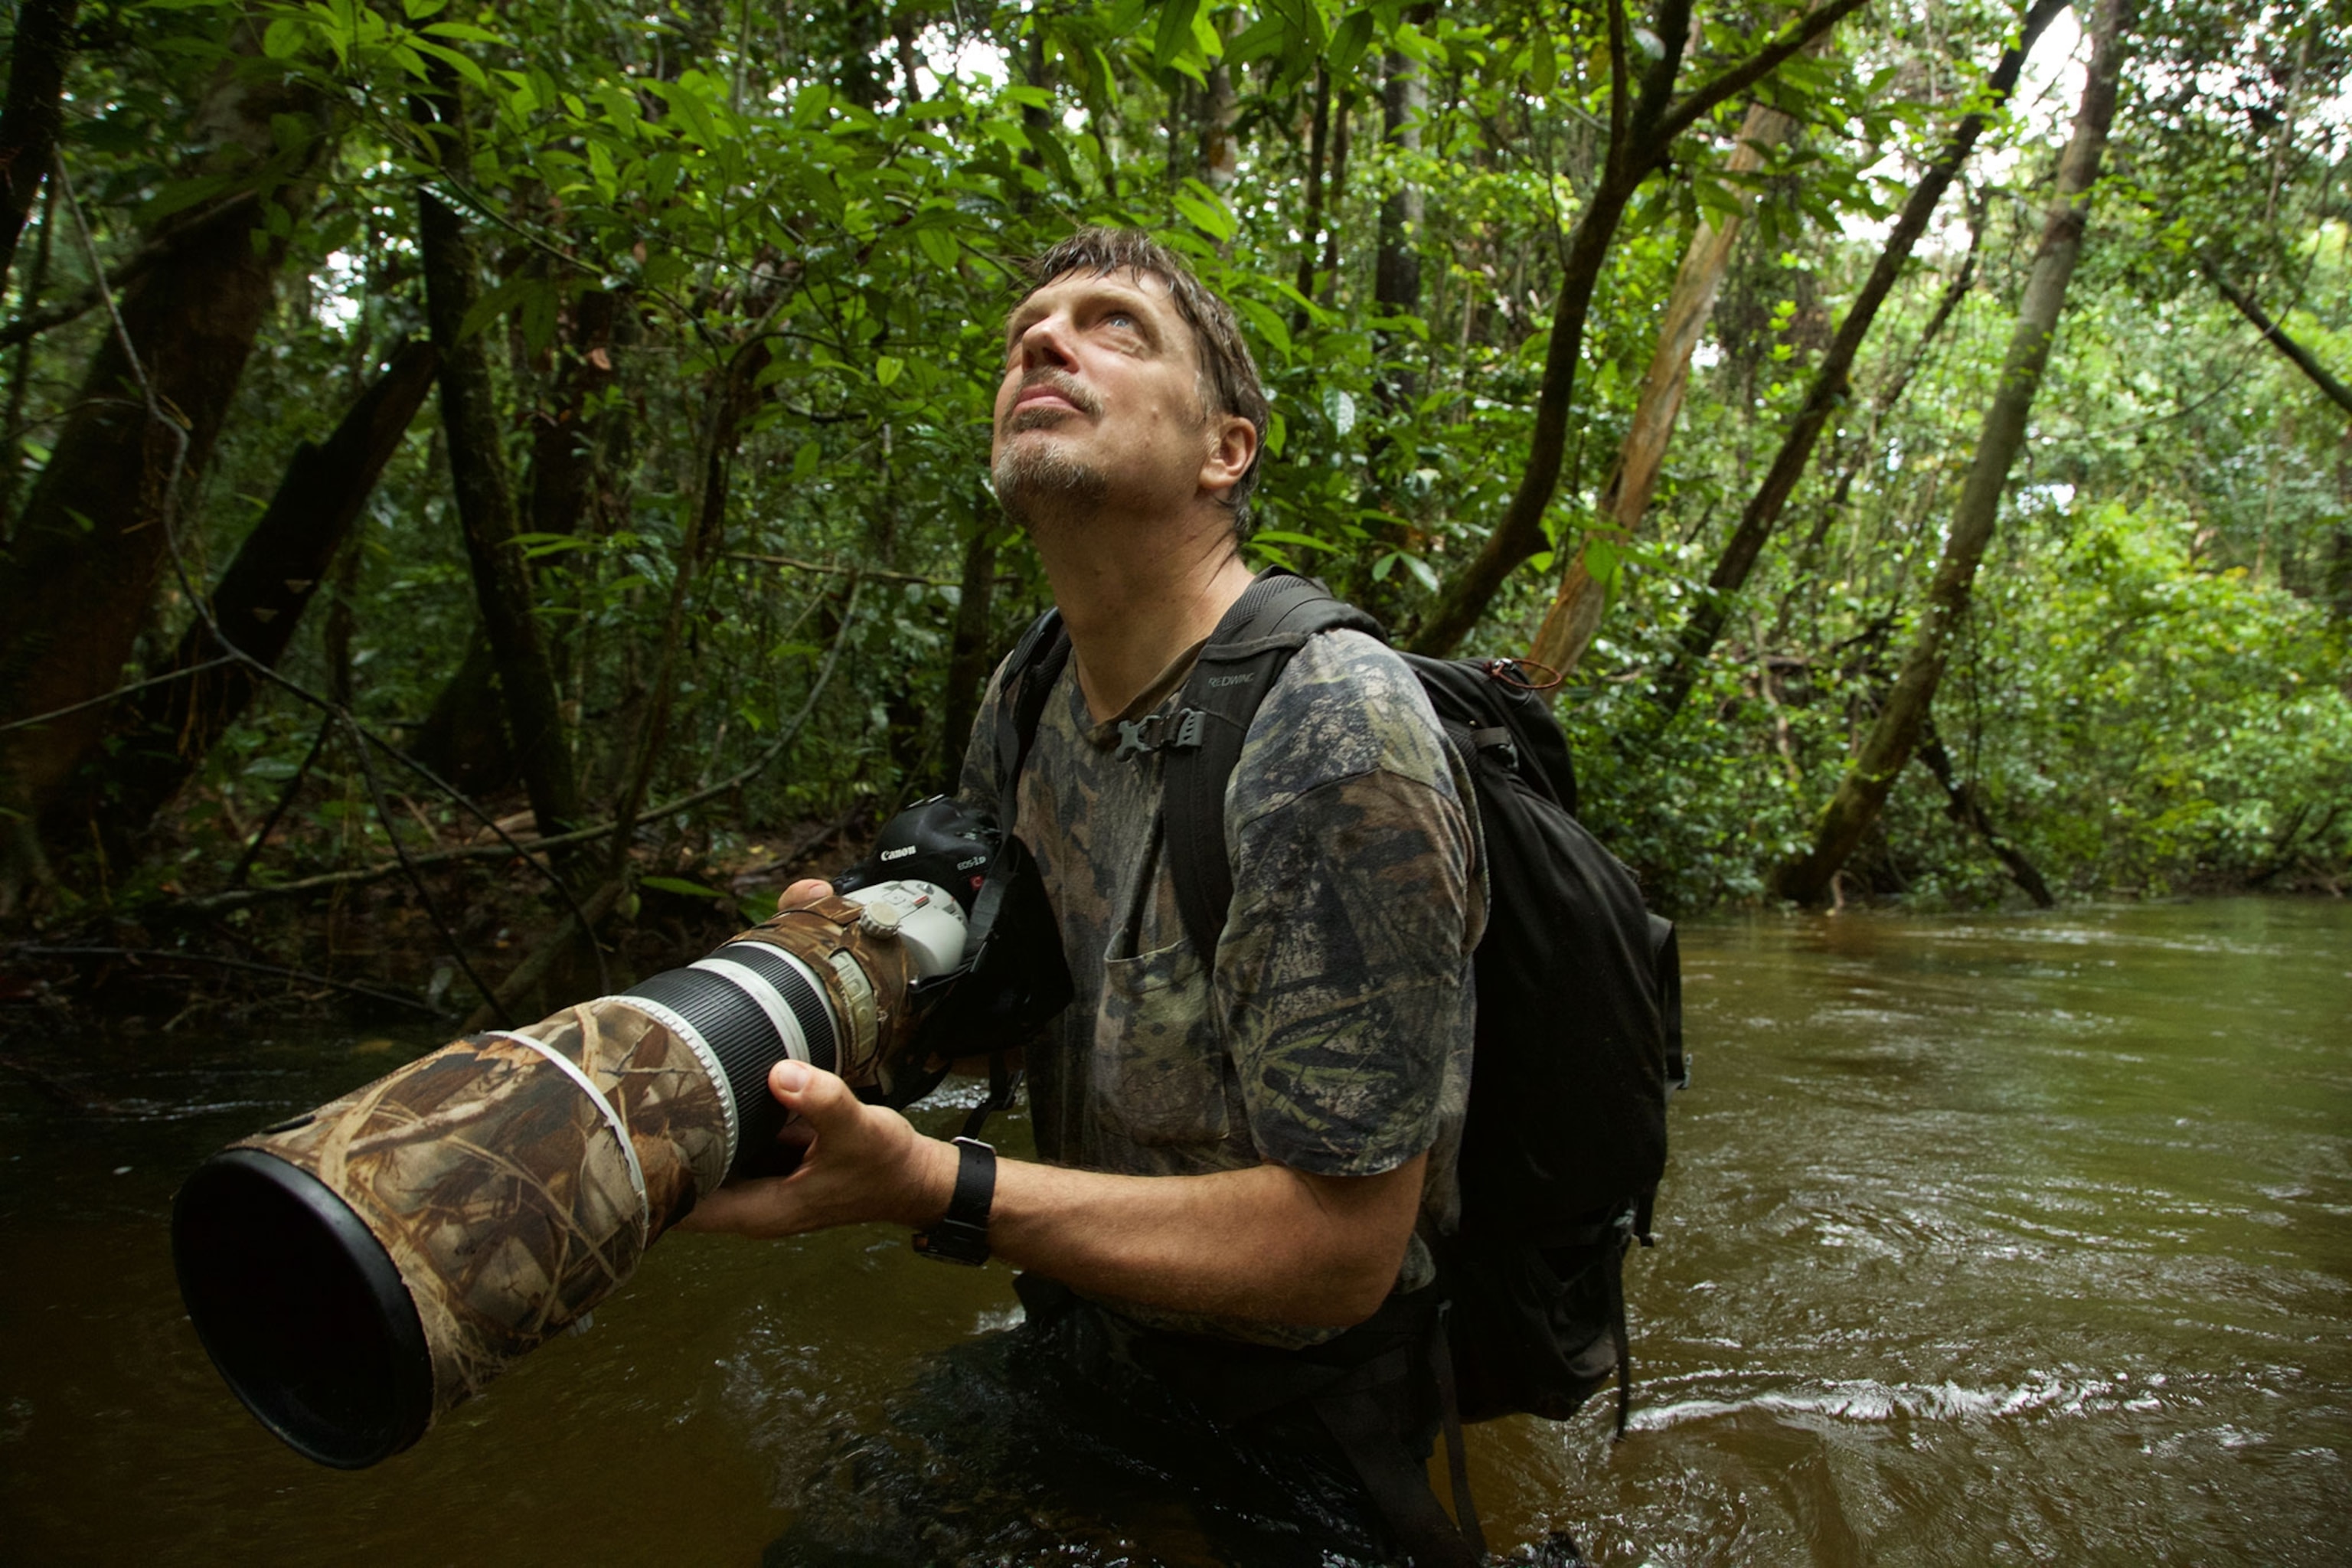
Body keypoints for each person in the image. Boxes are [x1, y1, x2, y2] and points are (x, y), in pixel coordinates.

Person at [681, 227, 1488, 1566]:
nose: (1043, 342)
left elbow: (1344, 1248)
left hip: (1304, 1419)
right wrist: (855, 1008)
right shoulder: (1034, 685)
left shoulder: (1335, 736)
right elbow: (1020, 998)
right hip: (1087, 1336)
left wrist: (929, 1185)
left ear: (1226, 450)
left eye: (1115, 325)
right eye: (1026, 334)